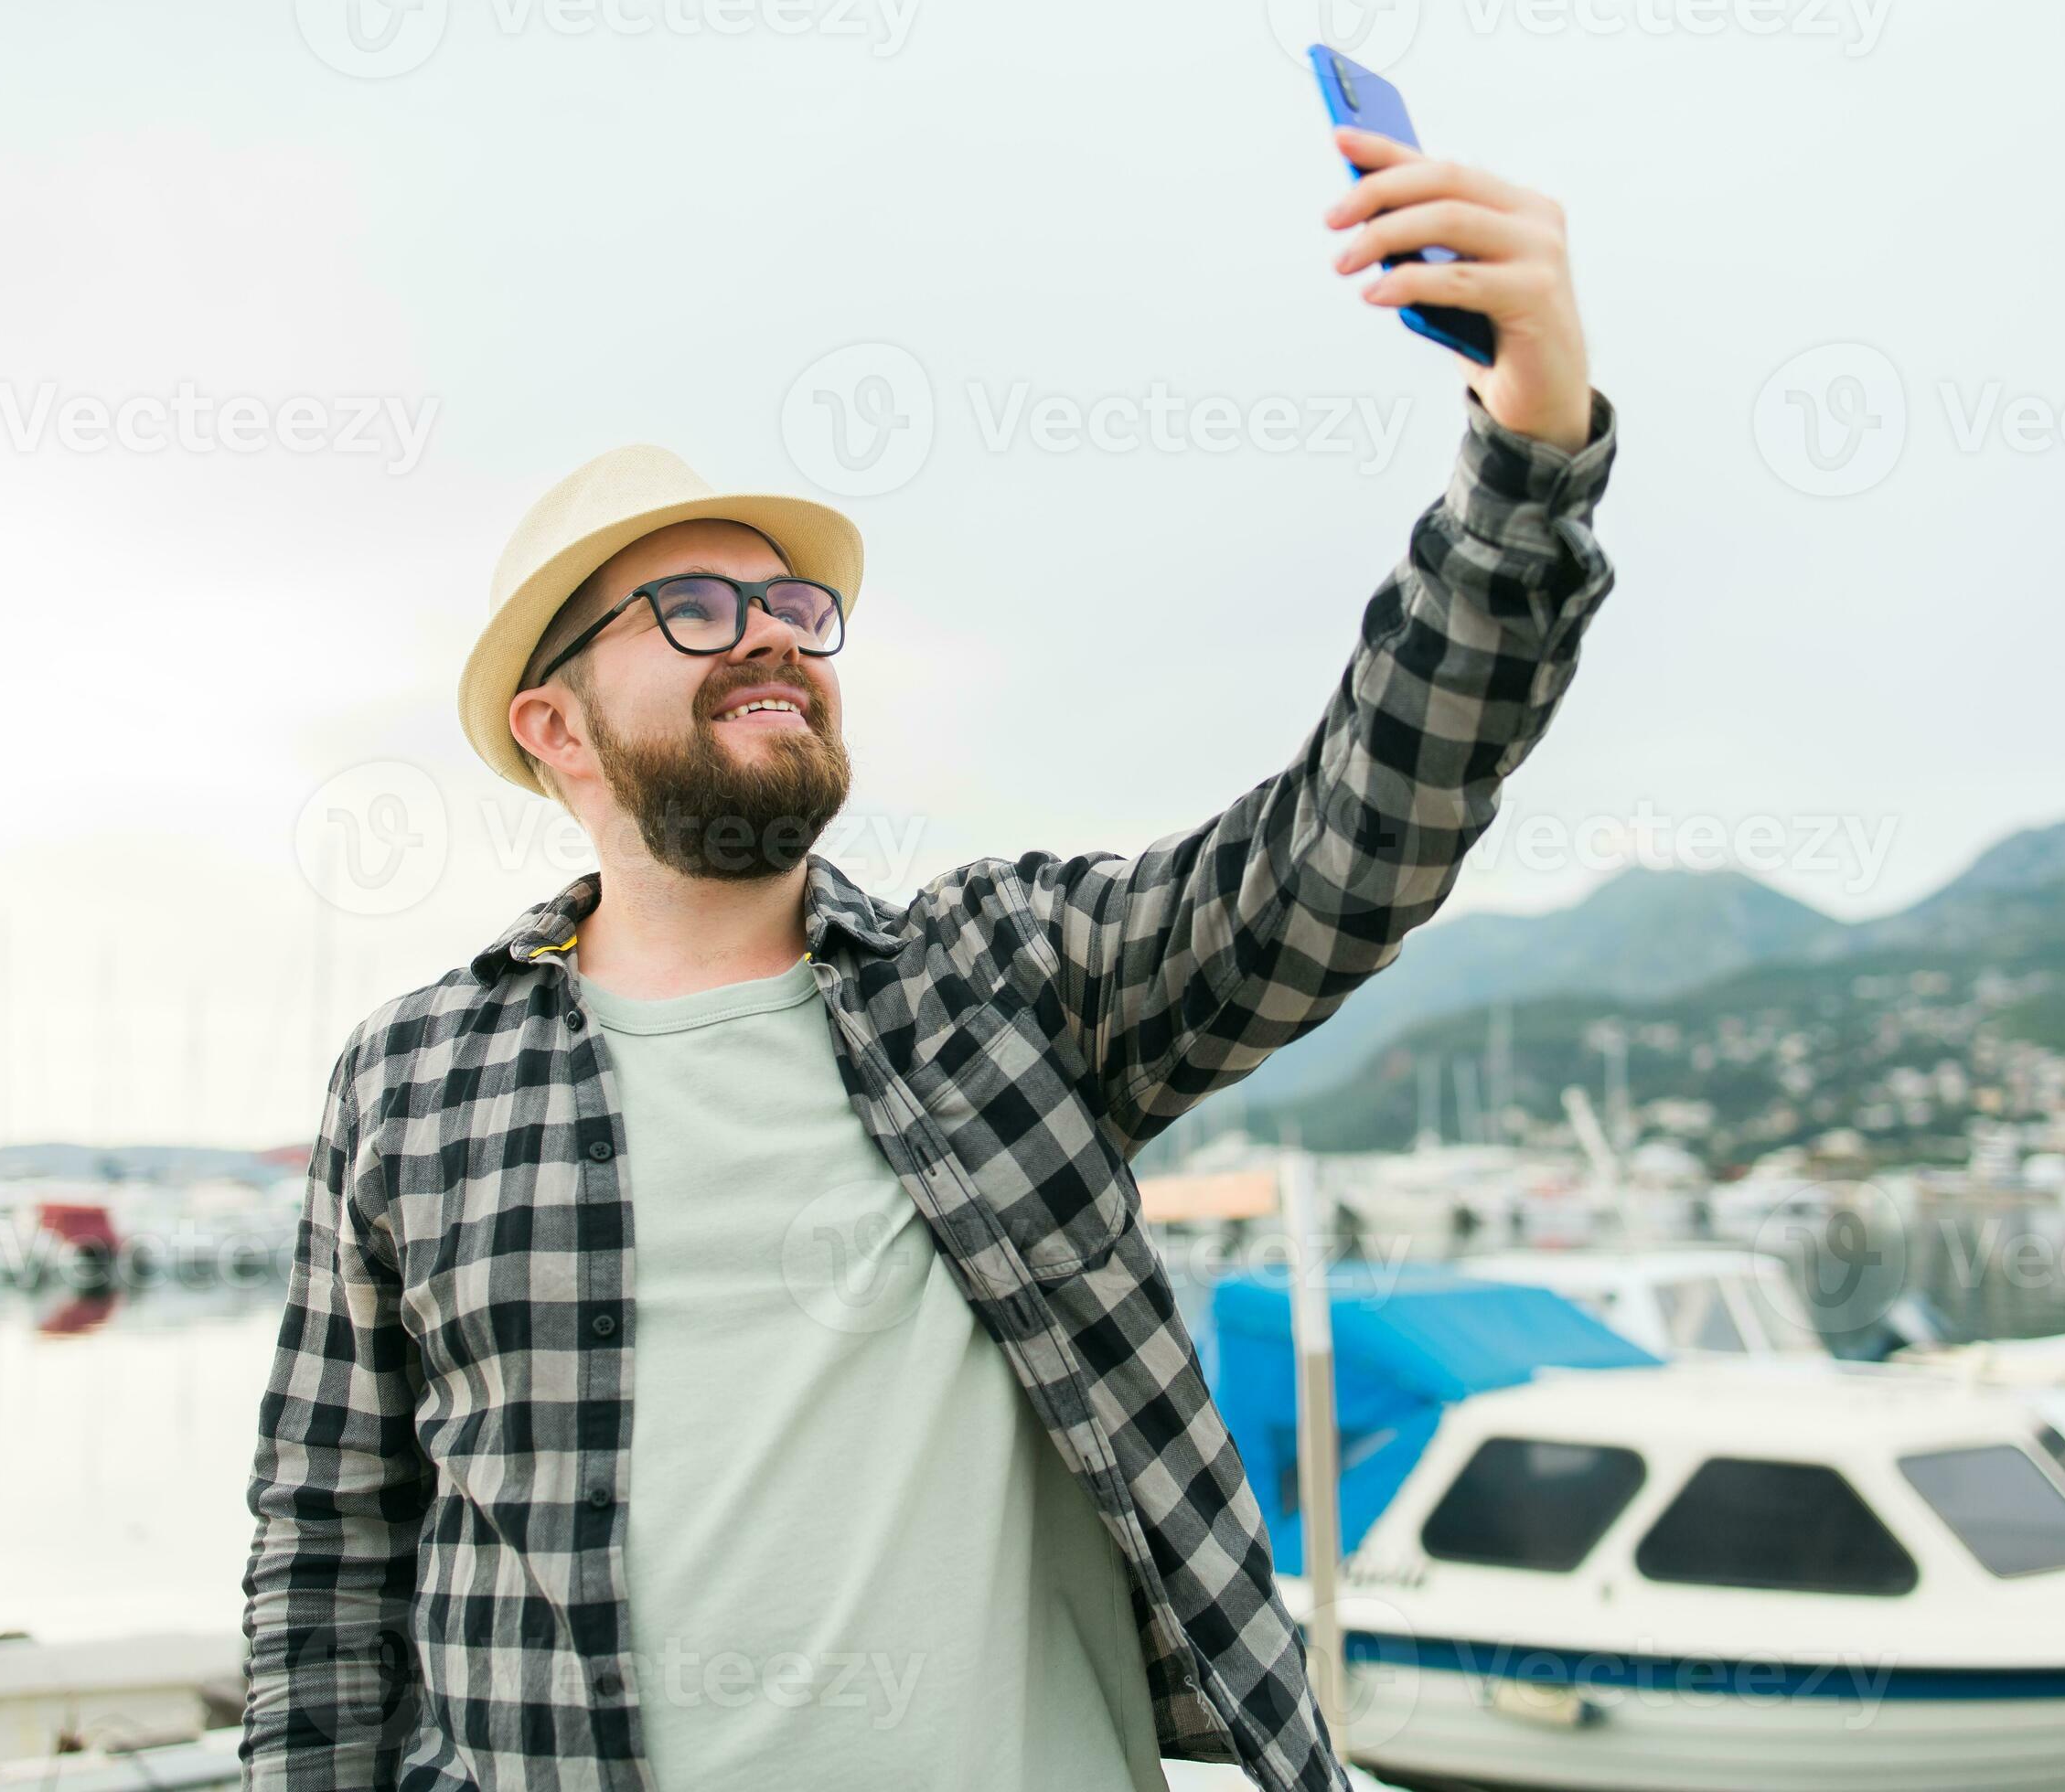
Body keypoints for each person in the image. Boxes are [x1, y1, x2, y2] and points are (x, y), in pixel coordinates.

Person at [241, 125, 1617, 1792]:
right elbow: (327, 1539)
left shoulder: (1000, 981)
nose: (769, 632)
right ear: (557, 729)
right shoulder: (417, 1081)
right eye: (693, 609)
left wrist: (1525, 450)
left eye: (791, 608)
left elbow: (1345, 847)